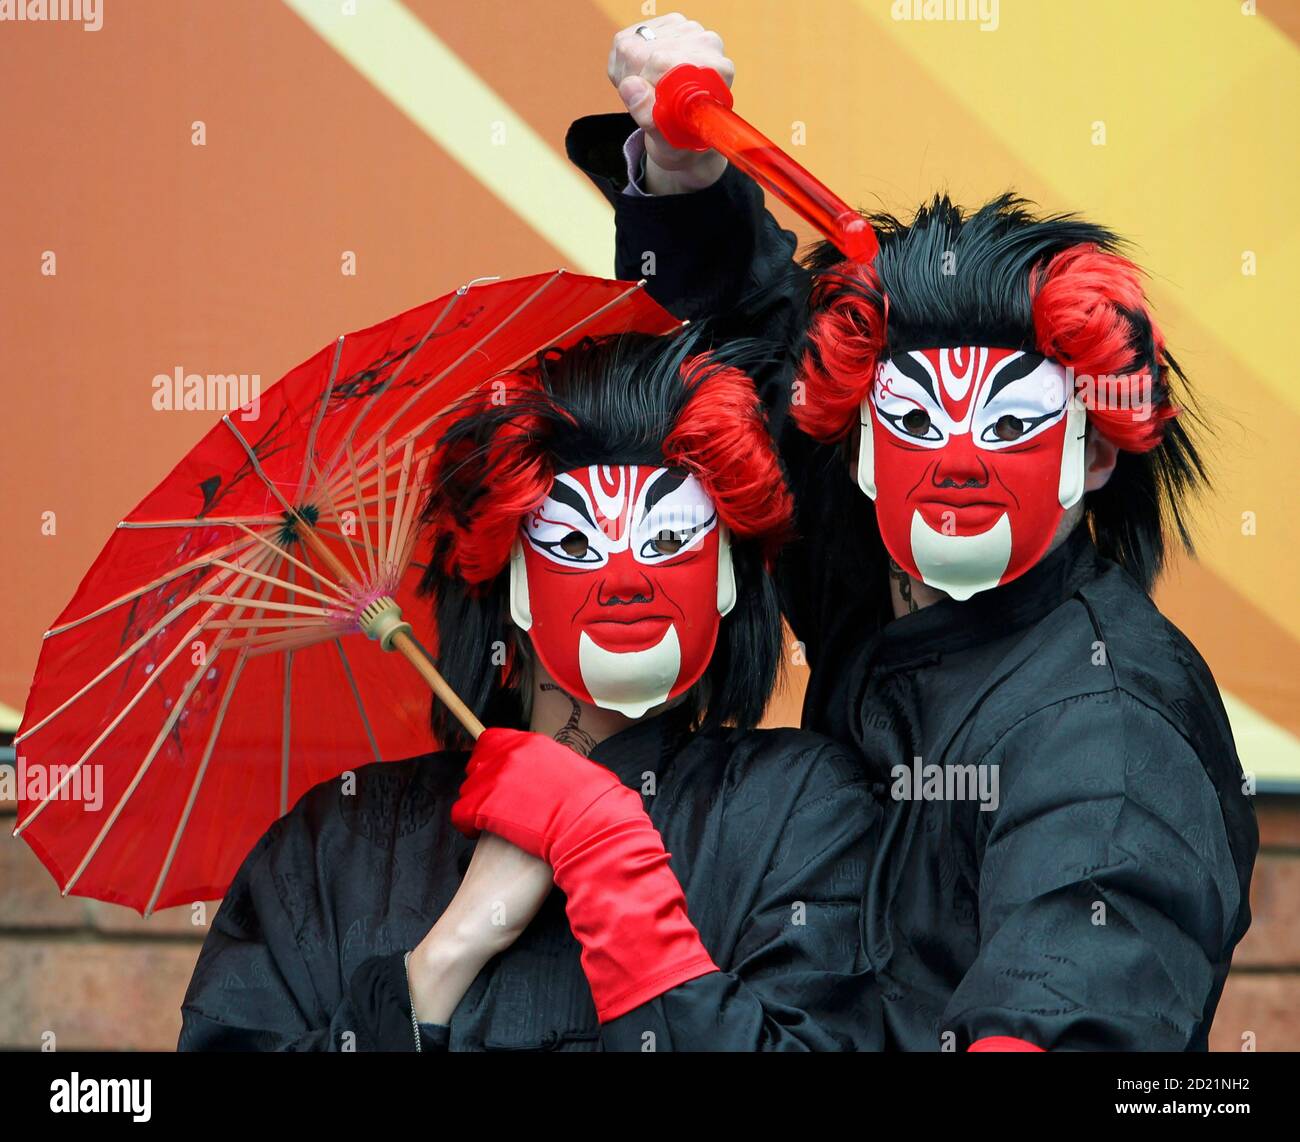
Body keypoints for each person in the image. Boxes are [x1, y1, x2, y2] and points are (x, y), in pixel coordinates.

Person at [559, 13, 1258, 1051]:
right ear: (862, 445)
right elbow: (750, 369)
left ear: (1096, 450)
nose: (960, 462)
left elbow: (1075, 996)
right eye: (918, 421)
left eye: (1011, 424)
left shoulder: (1102, 726)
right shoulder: (879, 565)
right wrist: (684, 174)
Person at [177, 326, 883, 1052]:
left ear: (729, 574)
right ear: (509, 574)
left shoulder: (799, 810)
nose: (625, 580)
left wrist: (615, 872)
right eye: (574, 545)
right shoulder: (338, 844)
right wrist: (437, 966)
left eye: (669, 538)